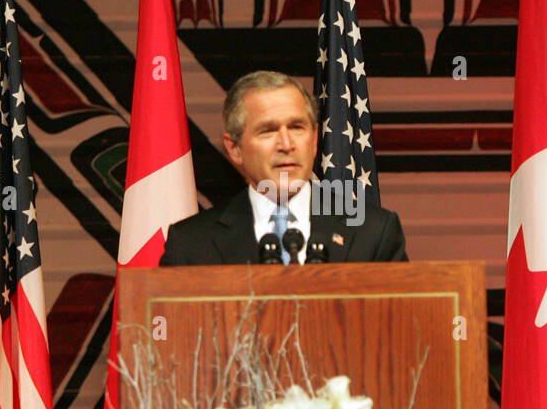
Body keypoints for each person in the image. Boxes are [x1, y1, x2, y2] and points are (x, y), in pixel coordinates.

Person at [160, 71, 407, 266]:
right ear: (234, 148)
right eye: (267, 131)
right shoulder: (191, 244)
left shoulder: (373, 232)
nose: (286, 145)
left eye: (297, 127)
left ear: (313, 140)